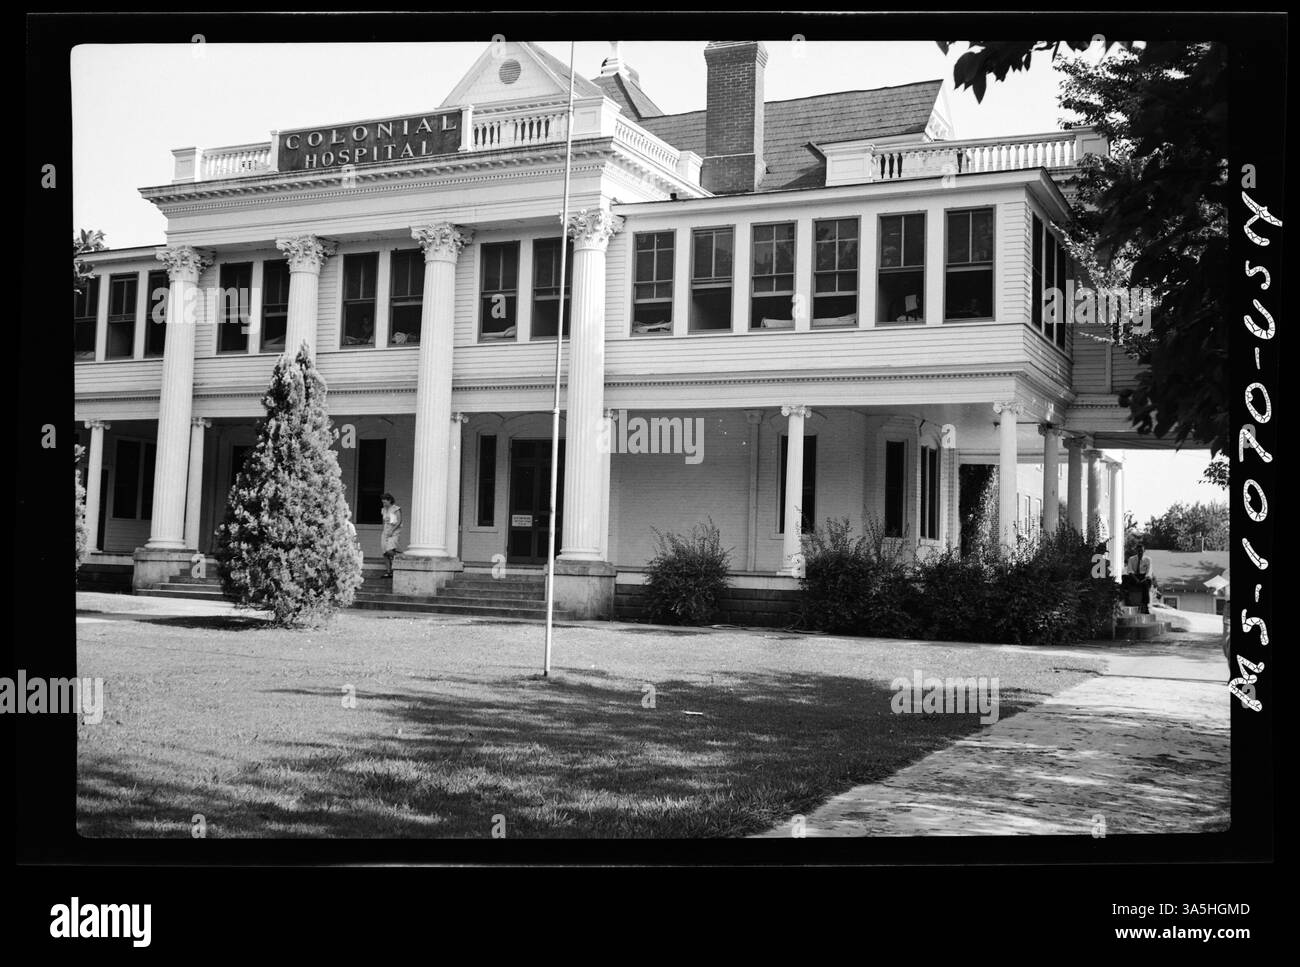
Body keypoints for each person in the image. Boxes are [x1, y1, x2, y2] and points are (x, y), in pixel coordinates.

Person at [1125, 542, 1155, 611]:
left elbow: (1149, 572)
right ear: (1136, 551)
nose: (1140, 552)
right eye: (1138, 551)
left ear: (1144, 551)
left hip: (1144, 577)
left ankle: (1145, 605)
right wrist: (1136, 580)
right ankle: (1127, 599)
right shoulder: (1131, 559)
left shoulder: (1148, 560)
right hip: (1134, 576)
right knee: (1125, 579)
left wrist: (1142, 580)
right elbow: (1130, 571)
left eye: (1141, 551)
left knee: (1146, 584)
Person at [380, 492, 402, 578]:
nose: (384, 504)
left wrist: (392, 530)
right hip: (385, 531)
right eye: (383, 502)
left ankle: (400, 557)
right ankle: (389, 572)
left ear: (390, 500)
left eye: (385, 502)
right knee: (385, 552)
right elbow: (384, 521)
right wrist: (385, 531)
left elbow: (399, 521)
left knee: (389, 550)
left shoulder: (396, 509)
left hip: (394, 531)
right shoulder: (383, 509)